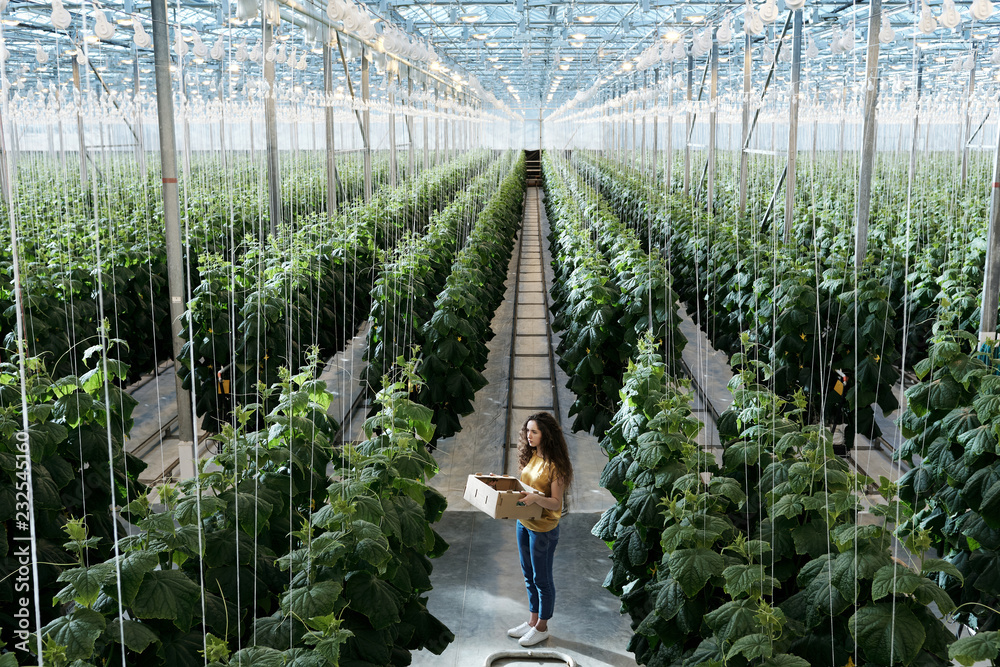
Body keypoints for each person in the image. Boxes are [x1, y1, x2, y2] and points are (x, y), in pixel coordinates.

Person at [507, 411, 574, 647]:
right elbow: (526, 487)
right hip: (524, 523)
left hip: (543, 529)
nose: (529, 435)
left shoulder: (557, 467)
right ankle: (532, 621)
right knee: (528, 575)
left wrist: (536, 499)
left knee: (542, 579)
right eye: (528, 431)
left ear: (547, 435)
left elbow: (556, 503)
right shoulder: (533, 456)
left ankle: (543, 627)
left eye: (534, 431)